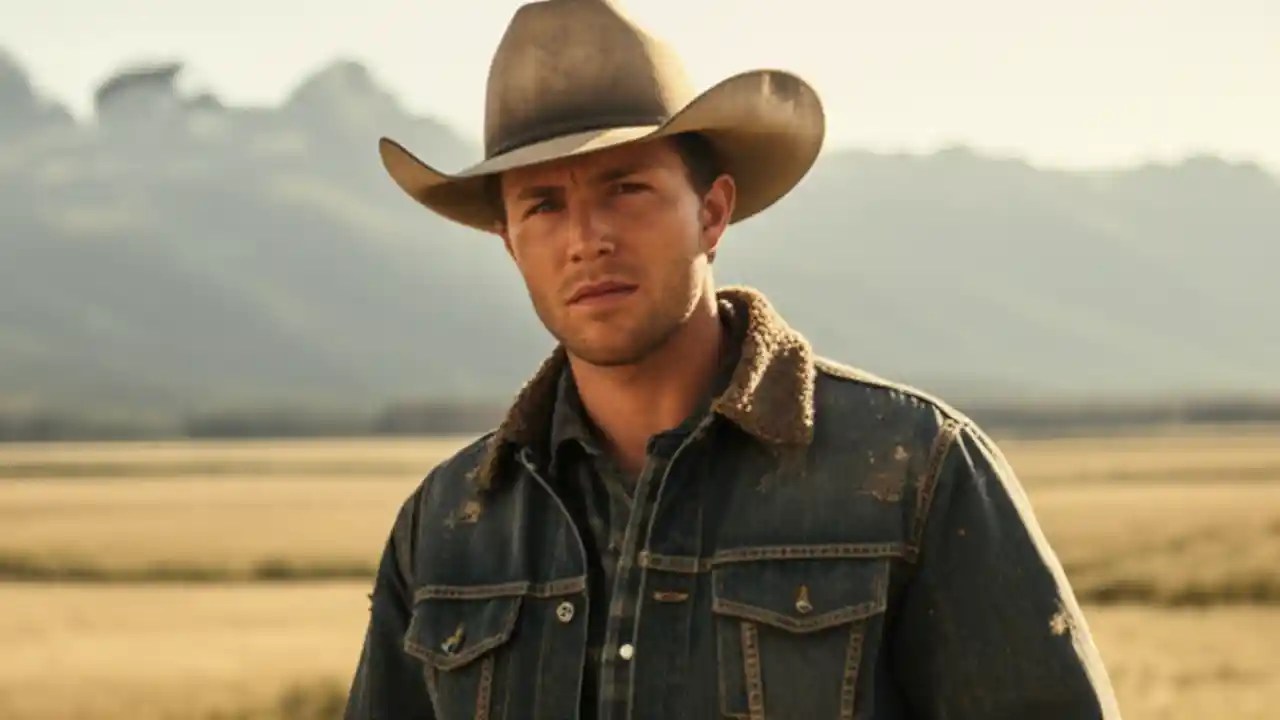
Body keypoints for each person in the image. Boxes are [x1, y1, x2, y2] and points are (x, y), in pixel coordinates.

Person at [344, 1, 1121, 718]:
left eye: (626, 188)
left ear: (712, 213)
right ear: (511, 243)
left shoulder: (911, 472)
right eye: (543, 205)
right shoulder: (448, 528)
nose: (586, 237)